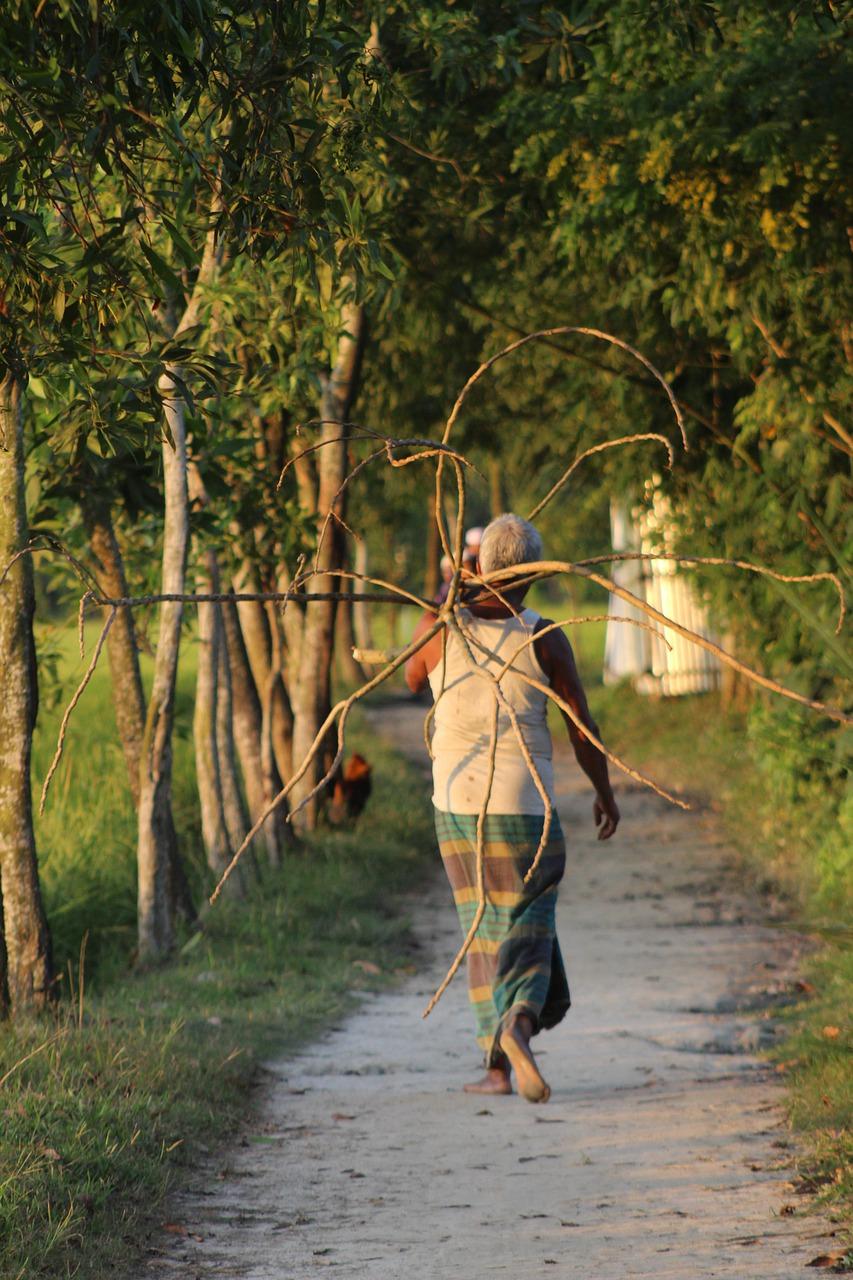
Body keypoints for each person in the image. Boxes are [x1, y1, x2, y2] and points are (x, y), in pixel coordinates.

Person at [405, 513, 620, 1102]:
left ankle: (497, 1067)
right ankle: (519, 1028)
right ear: (531, 576)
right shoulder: (543, 634)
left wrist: (448, 598)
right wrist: (604, 793)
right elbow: (582, 729)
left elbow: (409, 676)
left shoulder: (441, 628)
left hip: (455, 805)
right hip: (527, 809)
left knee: (482, 931)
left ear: (479, 568)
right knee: (527, 925)